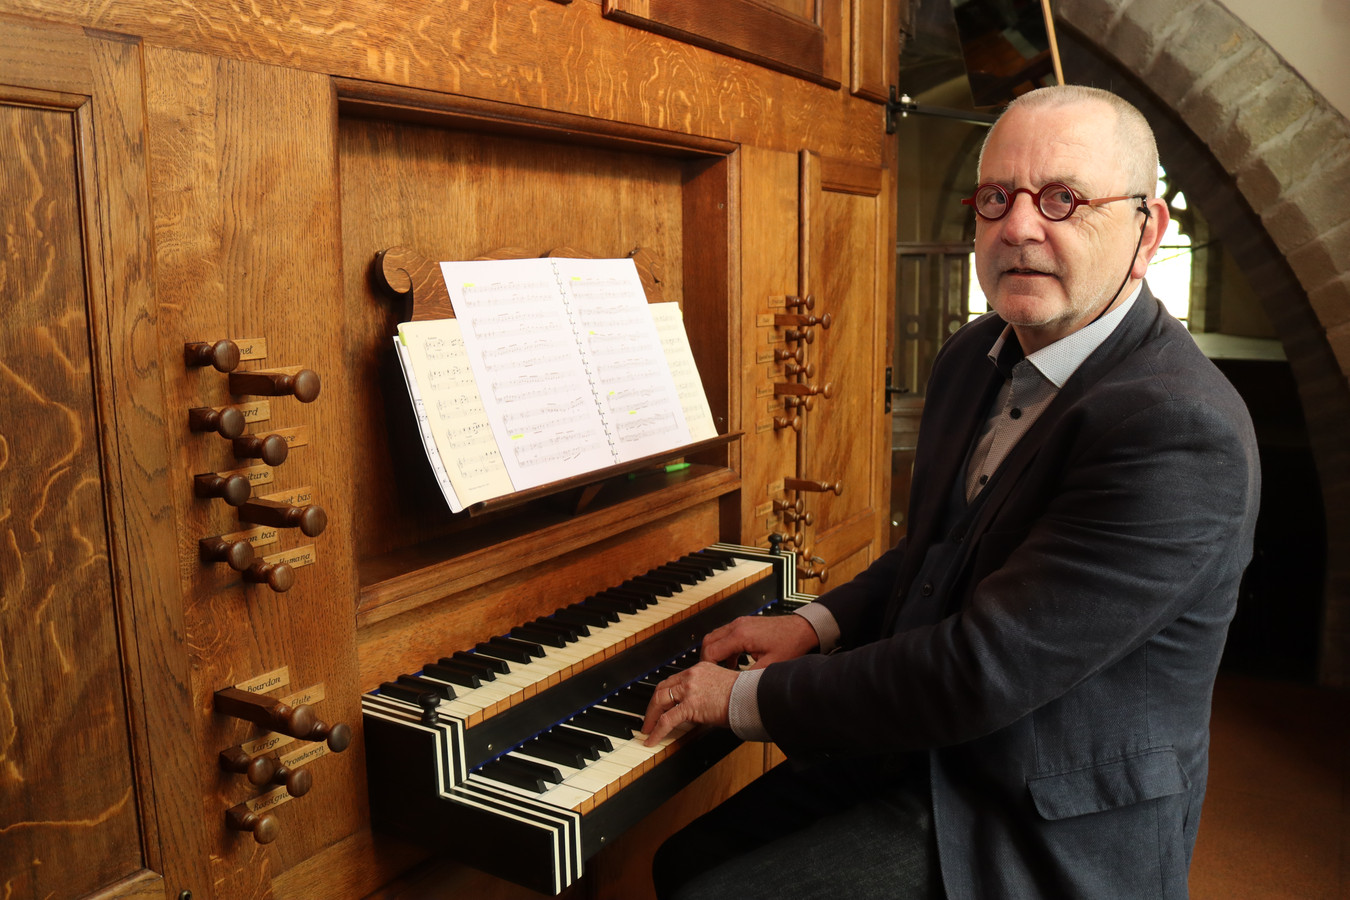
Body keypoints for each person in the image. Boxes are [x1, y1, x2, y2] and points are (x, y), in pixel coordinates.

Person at [641, 84, 1261, 900]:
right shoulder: (976, 355)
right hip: (932, 750)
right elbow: (938, 553)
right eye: (996, 198)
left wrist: (746, 698)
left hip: (1041, 812)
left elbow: (981, 671)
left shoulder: (1179, 428)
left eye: (1063, 198)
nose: (1018, 227)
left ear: (1149, 232)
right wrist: (816, 624)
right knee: (682, 864)